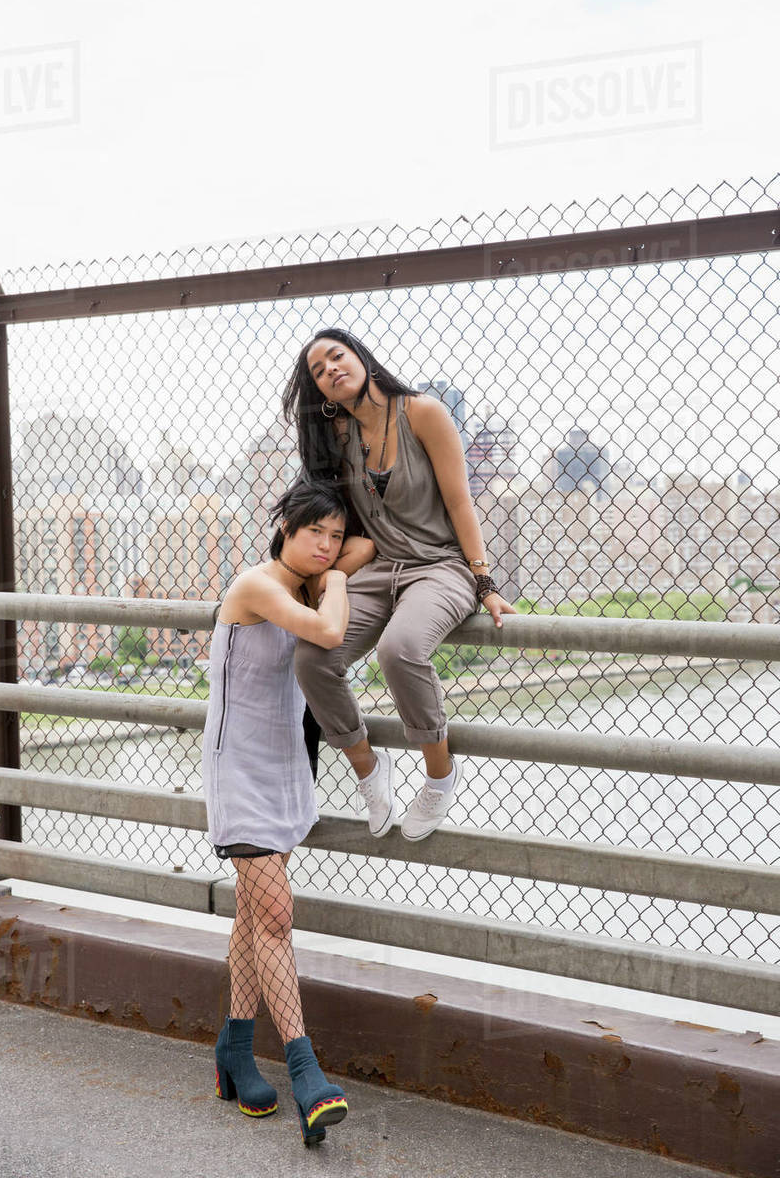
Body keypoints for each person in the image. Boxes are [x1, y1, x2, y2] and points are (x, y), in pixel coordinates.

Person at [282, 327, 517, 844]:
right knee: (313, 658)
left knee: (401, 649)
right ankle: (368, 767)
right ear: (319, 392)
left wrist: (484, 582)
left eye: (336, 357)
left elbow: (460, 502)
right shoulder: (338, 439)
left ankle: (439, 775)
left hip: (441, 567)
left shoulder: (424, 412)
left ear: (360, 356)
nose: (330, 371)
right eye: (318, 372)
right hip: (379, 570)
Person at [201, 478, 374, 1146]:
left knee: (253, 917)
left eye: (335, 536)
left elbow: (369, 545)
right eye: (314, 533)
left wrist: (337, 561)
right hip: (238, 771)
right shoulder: (258, 586)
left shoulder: (311, 577)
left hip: (285, 768)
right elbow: (329, 629)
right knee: (275, 914)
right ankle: (308, 1074)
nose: (327, 546)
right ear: (285, 527)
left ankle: (235, 1052)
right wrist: (339, 575)